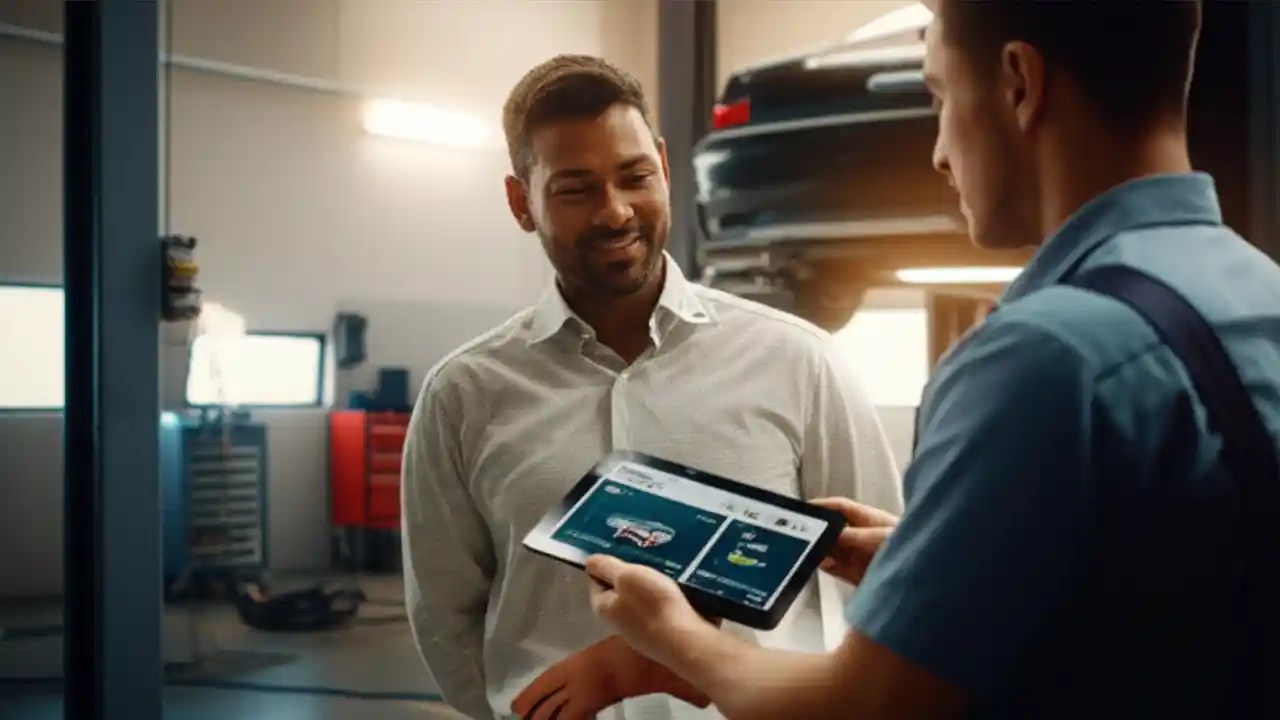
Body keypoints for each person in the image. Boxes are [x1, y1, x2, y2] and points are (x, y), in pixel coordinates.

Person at [562, 1, 1280, 718]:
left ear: (1019, 82)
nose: (939, 150)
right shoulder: (1257, 293)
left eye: (938, 96)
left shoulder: (1044, 358)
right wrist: (945, 558)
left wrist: (669, 633)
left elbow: (863, 711)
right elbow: (1181, 580)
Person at [400, 54, 904, 720]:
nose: (614, 212)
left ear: (665, 169)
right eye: (576, 189)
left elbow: (885, 592)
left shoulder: (799, 362)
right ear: (521, 202)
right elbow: (445, 615)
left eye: (634, 177)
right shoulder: (463, 396)